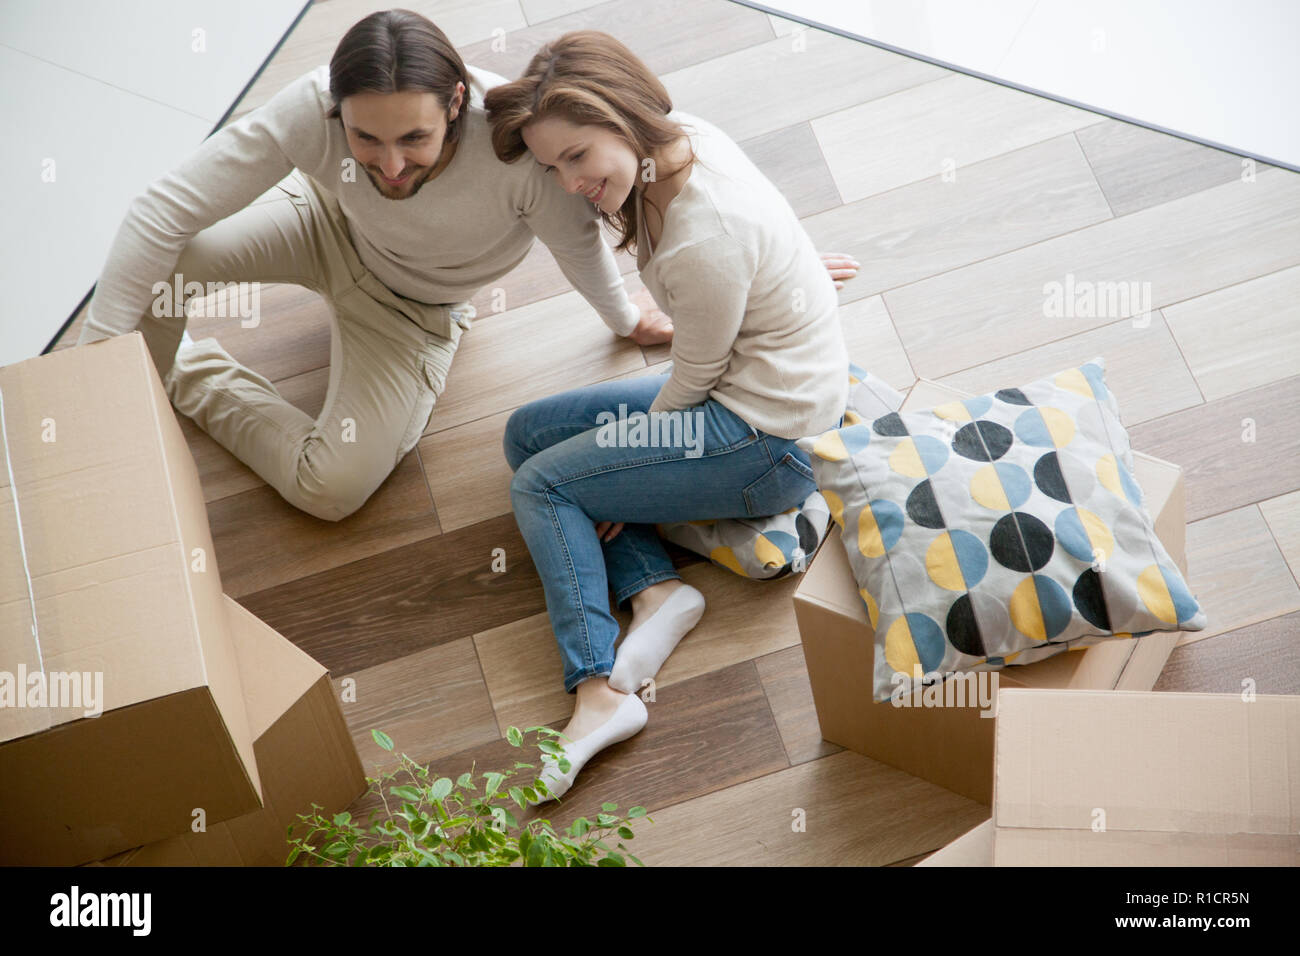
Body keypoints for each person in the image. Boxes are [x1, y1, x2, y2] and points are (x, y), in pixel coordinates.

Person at [75, 9, 671, 522]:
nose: (389, 167)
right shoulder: (314, 106)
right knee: (163, 265)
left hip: (413, 310)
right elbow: (161, 209)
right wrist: (96, 367)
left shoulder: (518, 148)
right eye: (365, 140)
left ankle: (184, 374)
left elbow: (577, 248)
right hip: (324, 226)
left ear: (457, 103)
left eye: (414, 138)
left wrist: (623, 320)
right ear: (338, 110)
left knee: (331, 489)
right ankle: (134, 388)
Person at [485, 30, 857, 800]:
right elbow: (747, 257)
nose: (569, 182)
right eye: (553, 165)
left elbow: (693, 373)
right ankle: (659, 591)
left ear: (624, 116)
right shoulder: (683, 138)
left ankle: (598, 695)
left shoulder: (705, 237)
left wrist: (616, 468)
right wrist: (787, 275)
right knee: (527, 435)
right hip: (739, 387)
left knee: (544, 487)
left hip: (763, 442)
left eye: (578, 155)